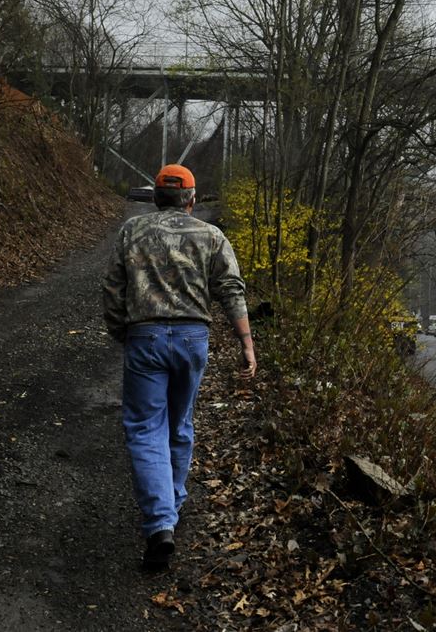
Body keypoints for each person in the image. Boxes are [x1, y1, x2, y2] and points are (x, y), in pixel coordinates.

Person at [101, 163, 257, 571]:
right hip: (193, 340)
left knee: (144, 428)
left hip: (146, 337)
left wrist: (124, 333)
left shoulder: (132, 231)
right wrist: (246, 343)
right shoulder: (211, 236)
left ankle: (159, 524)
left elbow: (113, 290)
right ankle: (174, 501)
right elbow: (231, 289)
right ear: (191, 199)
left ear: (155, 196)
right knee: (180, 422)